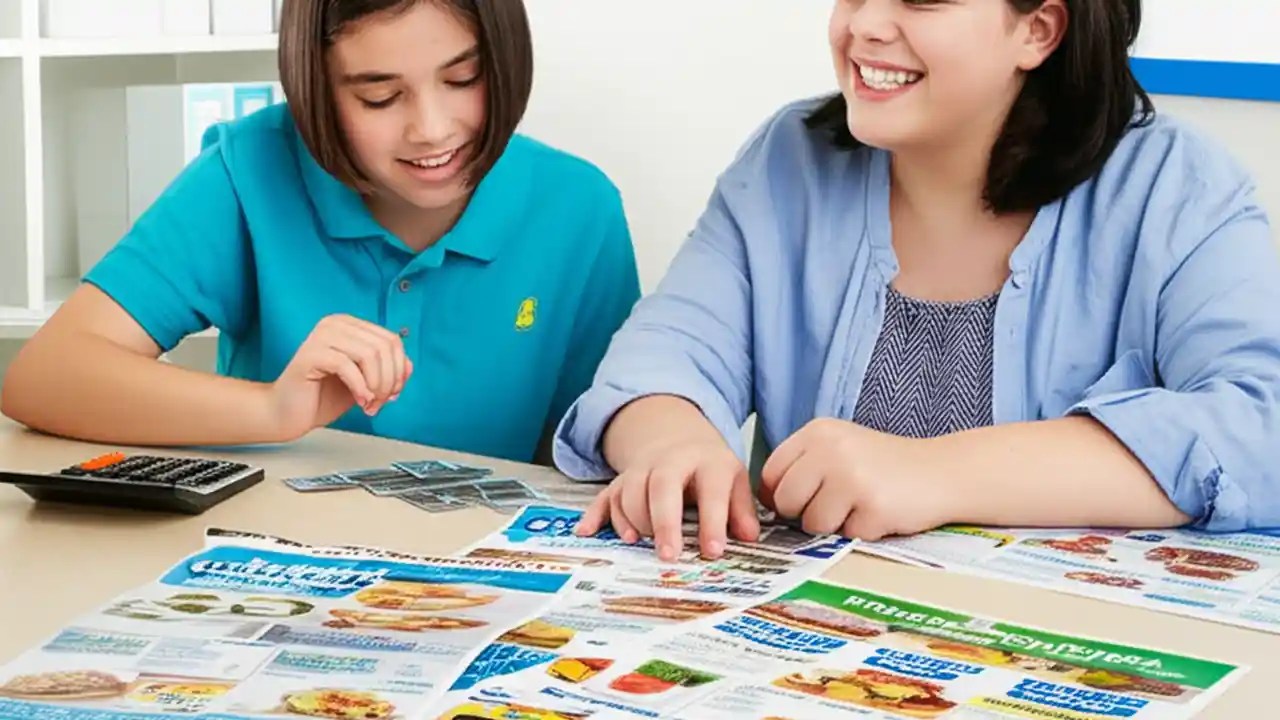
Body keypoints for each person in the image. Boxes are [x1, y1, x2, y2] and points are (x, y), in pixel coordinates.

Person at [557, 0, 1280, 560]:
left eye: (922, 1)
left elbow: (1262, 424)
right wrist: (672, 446)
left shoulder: (1177, 186)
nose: (865, 26)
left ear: (1039, 30)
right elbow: (662, 358)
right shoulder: (789, 159)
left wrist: (936, 473)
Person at [1, 0, 640, 464]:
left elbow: (596, 444)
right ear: (318, 91)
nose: (432, 129)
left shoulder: (578, 208)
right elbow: (44, 377)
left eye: (462, 79)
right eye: (380, 97)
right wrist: (274, 410)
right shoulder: (249, 169)